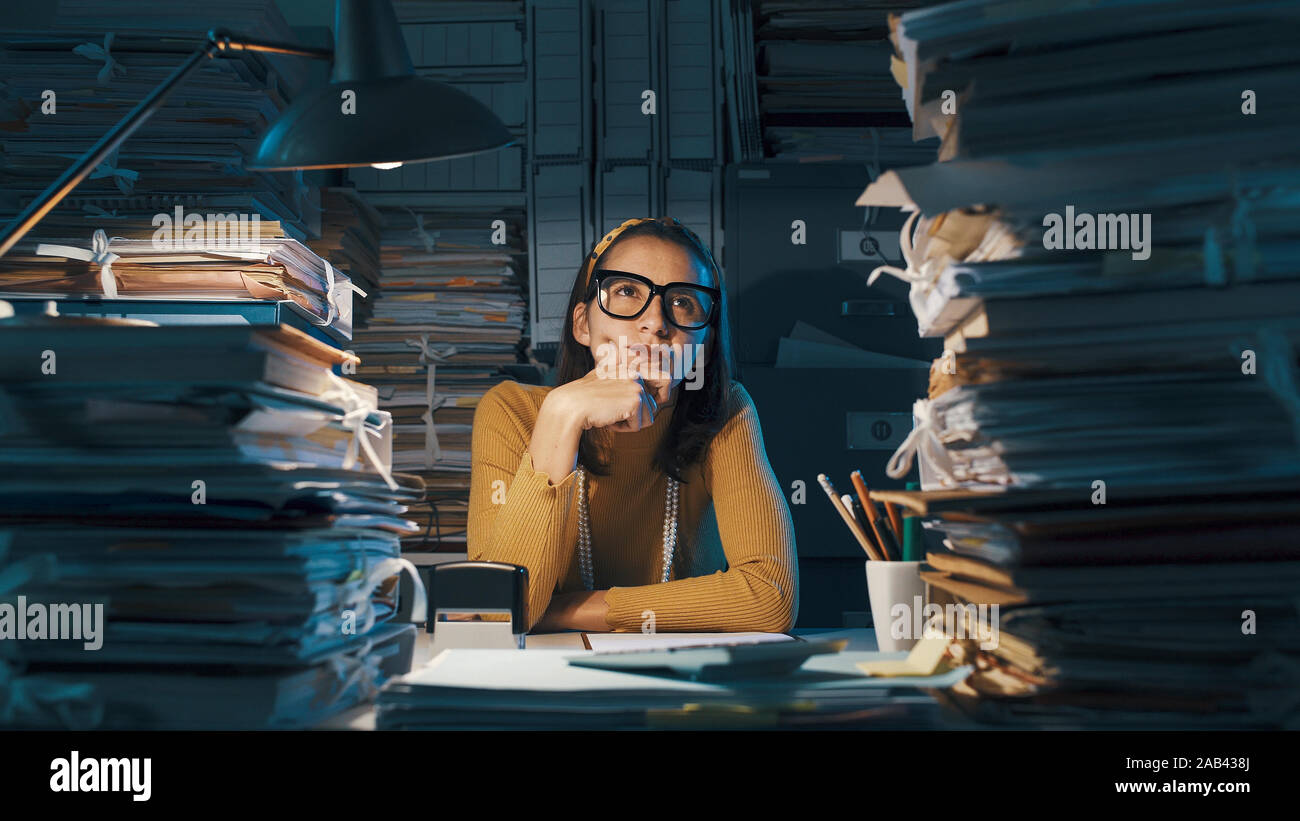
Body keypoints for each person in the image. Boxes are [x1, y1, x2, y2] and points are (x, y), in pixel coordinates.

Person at [467, 216, 798, 633]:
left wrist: (561, 612)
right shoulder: (510, 410)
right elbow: (496, 612)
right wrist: (561, 417)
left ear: (705, 343)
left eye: (683, 302)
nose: (656, 322)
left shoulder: (727, 411)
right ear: (584, 324)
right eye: (626, 291)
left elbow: (770, 600)